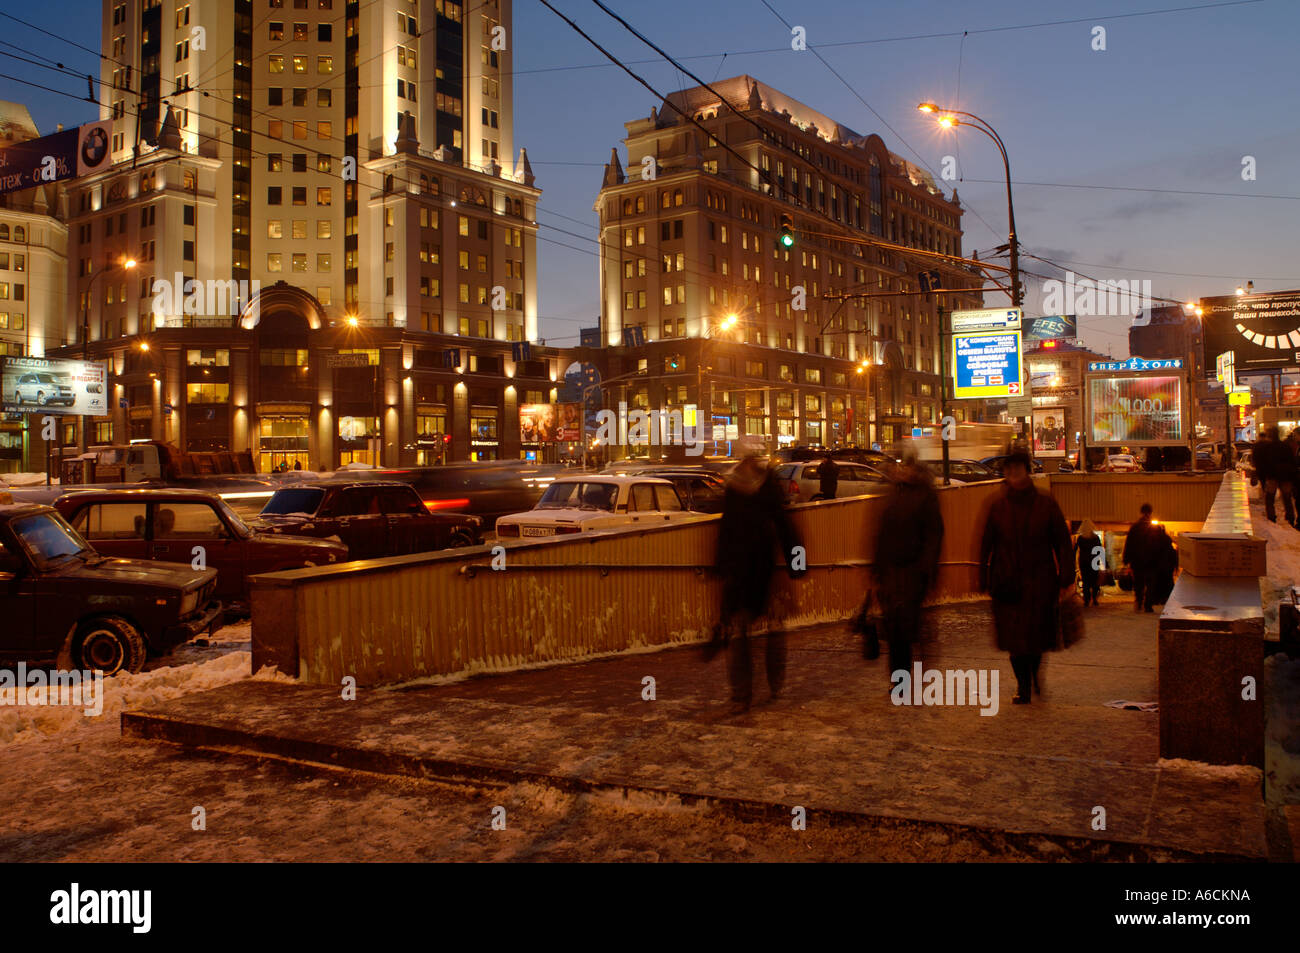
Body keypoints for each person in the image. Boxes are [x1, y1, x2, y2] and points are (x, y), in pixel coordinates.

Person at [978, 451, 1074, 704]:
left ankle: (1033, 676)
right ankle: (1023, 685)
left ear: (1026, 471)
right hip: (1007, 583)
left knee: (1036, 638)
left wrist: (1065, 576)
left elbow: (1062, 542)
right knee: (1014, 641)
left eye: (1017, 469)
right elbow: (985, 543)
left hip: (1040, 582)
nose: (1013, 475)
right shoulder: (997, 506)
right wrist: (983, 576)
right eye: (1008, 470)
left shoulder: (1045, 503)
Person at [713, 455, 802, 714]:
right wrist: (797, 563)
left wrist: (720, 565)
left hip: (751, 571)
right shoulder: (763, 486)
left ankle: (749, 692)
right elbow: (784, 526)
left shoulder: (741, 486)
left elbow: (726, 529)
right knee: (754, 632)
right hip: (755, 570)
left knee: (750, 633)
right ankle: (752, 690)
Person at [872, 452, 944, 680]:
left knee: (905, 627)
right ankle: (899, 676)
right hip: (891, 573)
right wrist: (875, 567)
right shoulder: (893, 494)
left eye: (903, 465)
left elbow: (934, 535)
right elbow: (881, 534)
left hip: (913, 573)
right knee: (895, 629)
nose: (899, 470)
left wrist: (926, 569)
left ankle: (905, 672)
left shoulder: (925, 496)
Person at [1122, 503, 1159, 612]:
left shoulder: (1135, 527)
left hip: (1137, 561)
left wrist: (1126, 559)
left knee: (1139, 583)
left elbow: (1129, 543)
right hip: (1151, 561)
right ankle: (1148, 605)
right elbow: (1158, 545)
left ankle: (1139, 602)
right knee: (1150, 583)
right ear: (1150, 512)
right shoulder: (1154, 528)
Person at [1074, 519, 1103, 607]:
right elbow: (1099, 550)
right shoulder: (1095, 538)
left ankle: (1086, 600)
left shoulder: (1080, 538)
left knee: (1086, 581)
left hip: (1084, 562)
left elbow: (1075, 549)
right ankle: (1094, 598)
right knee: (1094, 581)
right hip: (1094, 561)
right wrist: (1103, 563)